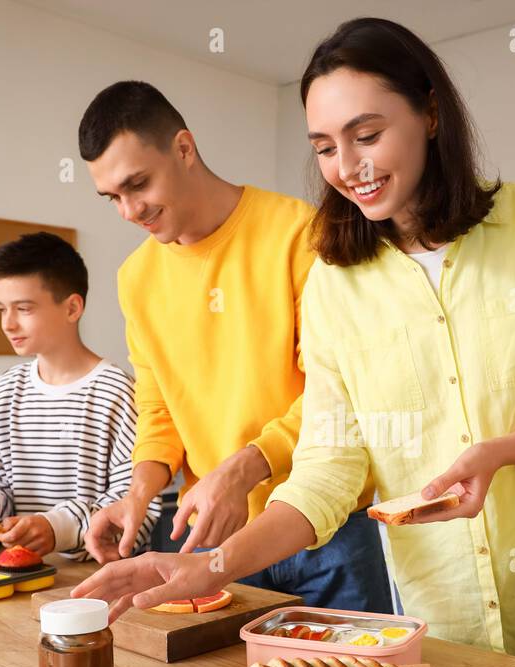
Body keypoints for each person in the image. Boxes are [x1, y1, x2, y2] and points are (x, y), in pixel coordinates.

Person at [74, 19, 515, 656]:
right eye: (326, 147)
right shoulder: (337, 278)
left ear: (431, 113)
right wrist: (213, 563)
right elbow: (328, 471)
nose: (348, 167)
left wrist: (498, 451)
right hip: (439, 616)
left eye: (367, 135)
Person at [73, 80, 390, 612]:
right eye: (113, 198)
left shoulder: (302, 235)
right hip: (216, 539)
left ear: (183, 148)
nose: (129, 211)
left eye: (138, 184)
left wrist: (243, 469)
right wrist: (137, 496)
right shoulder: (136, 278)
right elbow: (158, 409)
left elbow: (339, 393)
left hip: (329, 531)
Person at [0, 232, 159, 559]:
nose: (8, 324)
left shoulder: (118, 392)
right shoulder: (4, 392)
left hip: (101, 584)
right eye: (1, 309)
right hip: (22, 579)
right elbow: (1, 490)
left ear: (72, 308)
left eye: (24, 309)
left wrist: (56, 528)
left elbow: (136, 510)